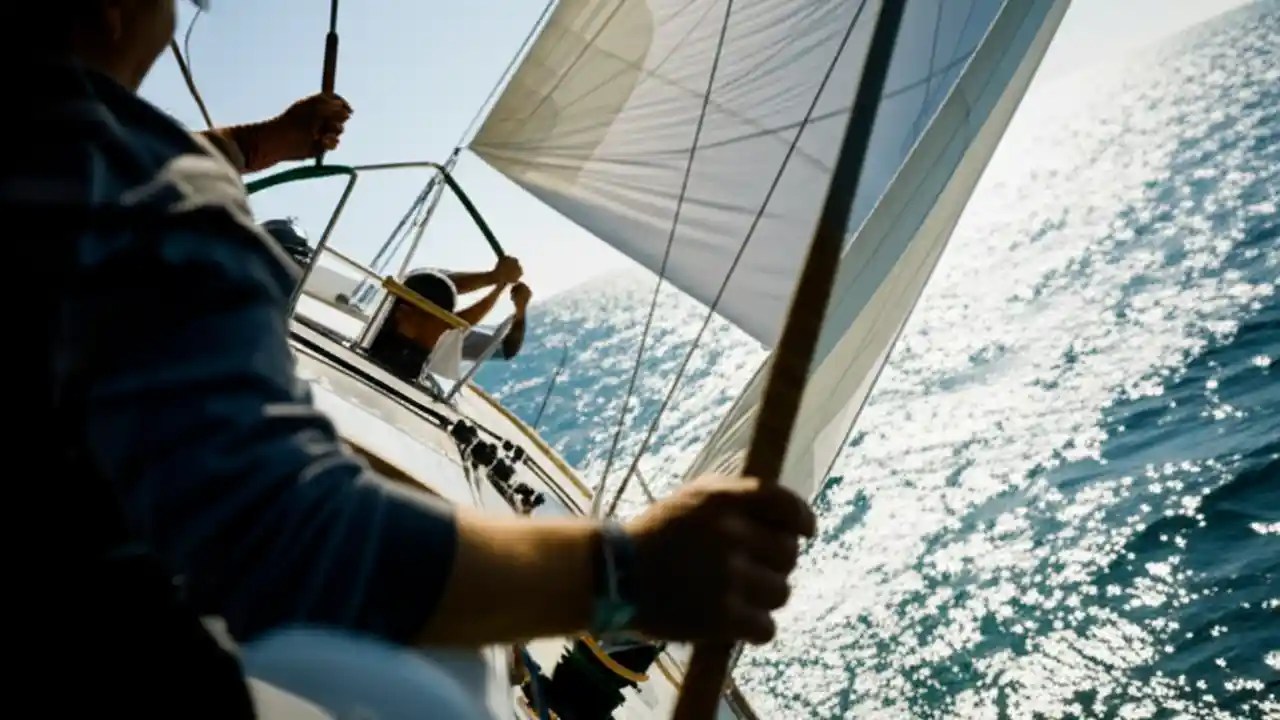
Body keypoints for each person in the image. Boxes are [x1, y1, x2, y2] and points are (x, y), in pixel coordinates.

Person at [20, 2, 816, 719]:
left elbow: (454, 317)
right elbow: (290, 543)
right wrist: (631, 573)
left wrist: (266, 143)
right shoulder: (147, 195)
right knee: (448, 673)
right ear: (113, 9)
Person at [368, 257, 532, 382]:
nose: (446, 328)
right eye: (436, 319)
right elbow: (433, 283)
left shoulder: (447, 340)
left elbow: (506, 349)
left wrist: (519, 308)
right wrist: (494, 277)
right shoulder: (378, 314)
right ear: (403, 315)